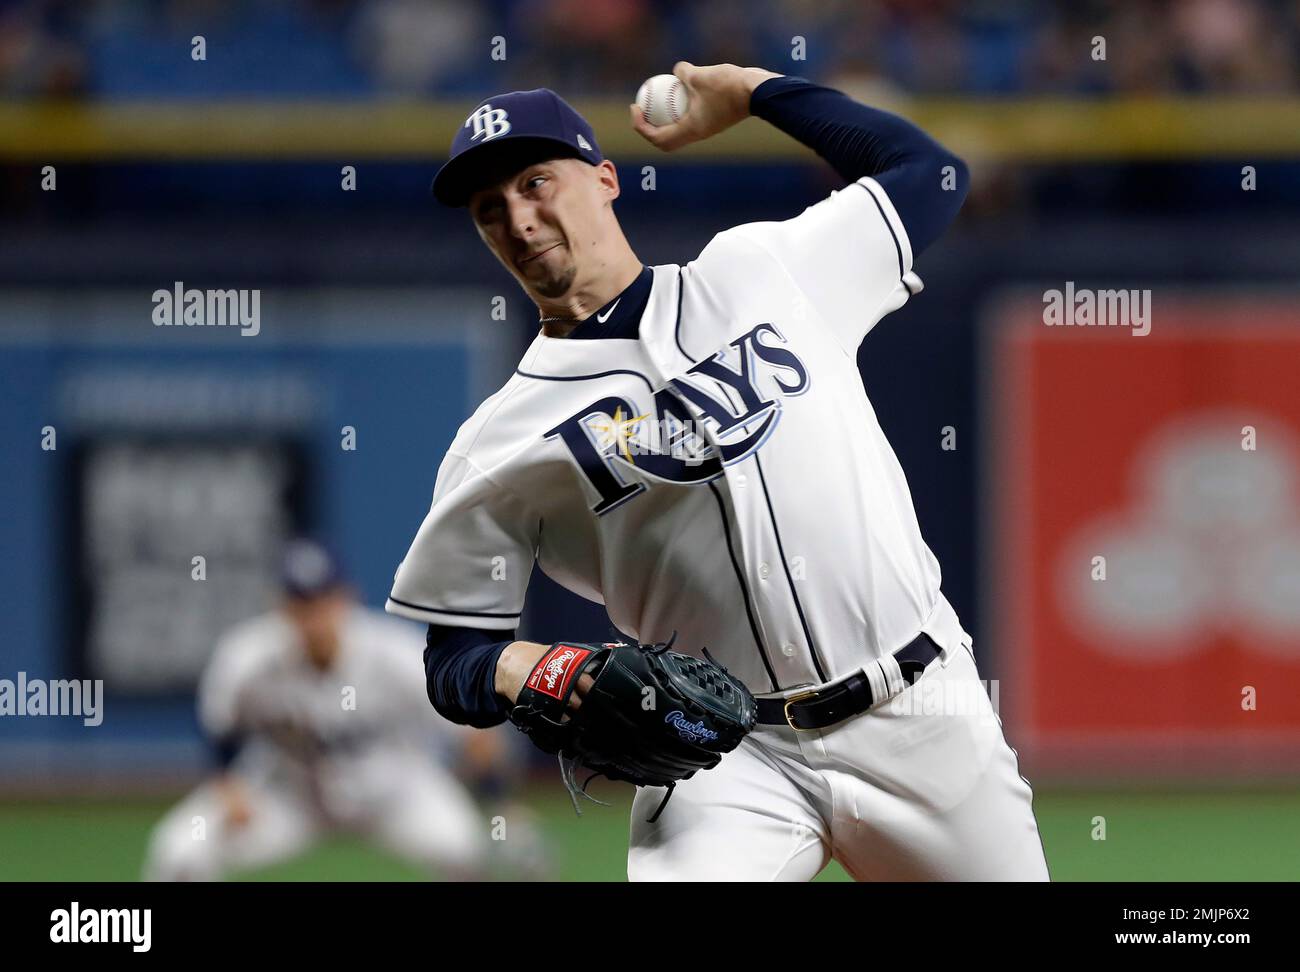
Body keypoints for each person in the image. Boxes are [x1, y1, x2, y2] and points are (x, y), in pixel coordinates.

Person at [387, 63, 1049, 880]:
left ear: (604, 180)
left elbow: (931, 172)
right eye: (492, 210)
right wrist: (543, 669)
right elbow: (454, 661)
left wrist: (753, 93)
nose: (520, 218)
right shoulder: (499, 441)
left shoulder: (767, 269)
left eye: (535, 182)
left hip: (920, 707)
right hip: (724, 760)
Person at [144, 539, 493, 881]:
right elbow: (219, 725)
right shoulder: (248, 657)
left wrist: (500, 797)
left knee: (462, 847)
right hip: (290, 795)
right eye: (299, 604)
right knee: (180, 850)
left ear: (346, 599)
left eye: (321, 601)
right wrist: (227, 784)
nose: (312, 618)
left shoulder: (396, 653)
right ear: (279, 606)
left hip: (393, 792)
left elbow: (471, 734)